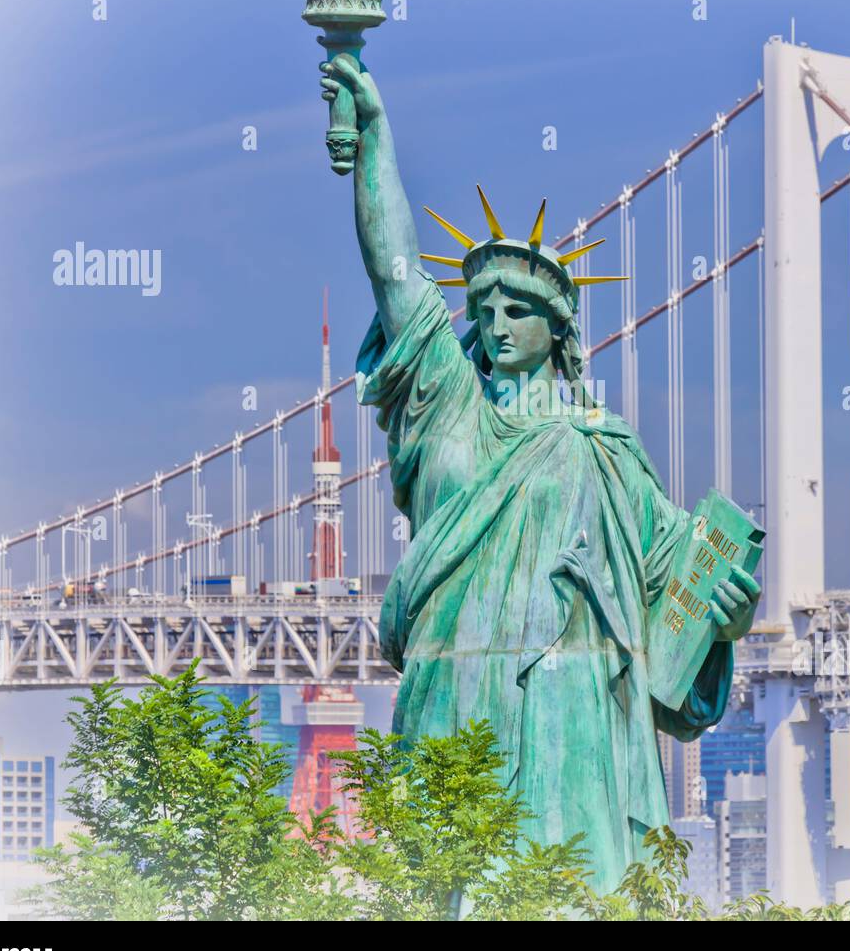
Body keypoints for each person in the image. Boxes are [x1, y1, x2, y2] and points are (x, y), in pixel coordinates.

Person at [320, 53, 760, 890]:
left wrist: (729, 620)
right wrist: (375, 134)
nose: (493, 322)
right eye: (481, 309)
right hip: (456, 702)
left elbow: (680, 599)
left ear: (558, 330)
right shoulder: (448, 407)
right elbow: (397, 277)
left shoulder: (606, 452)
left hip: (578, 719)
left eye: (516, 308)